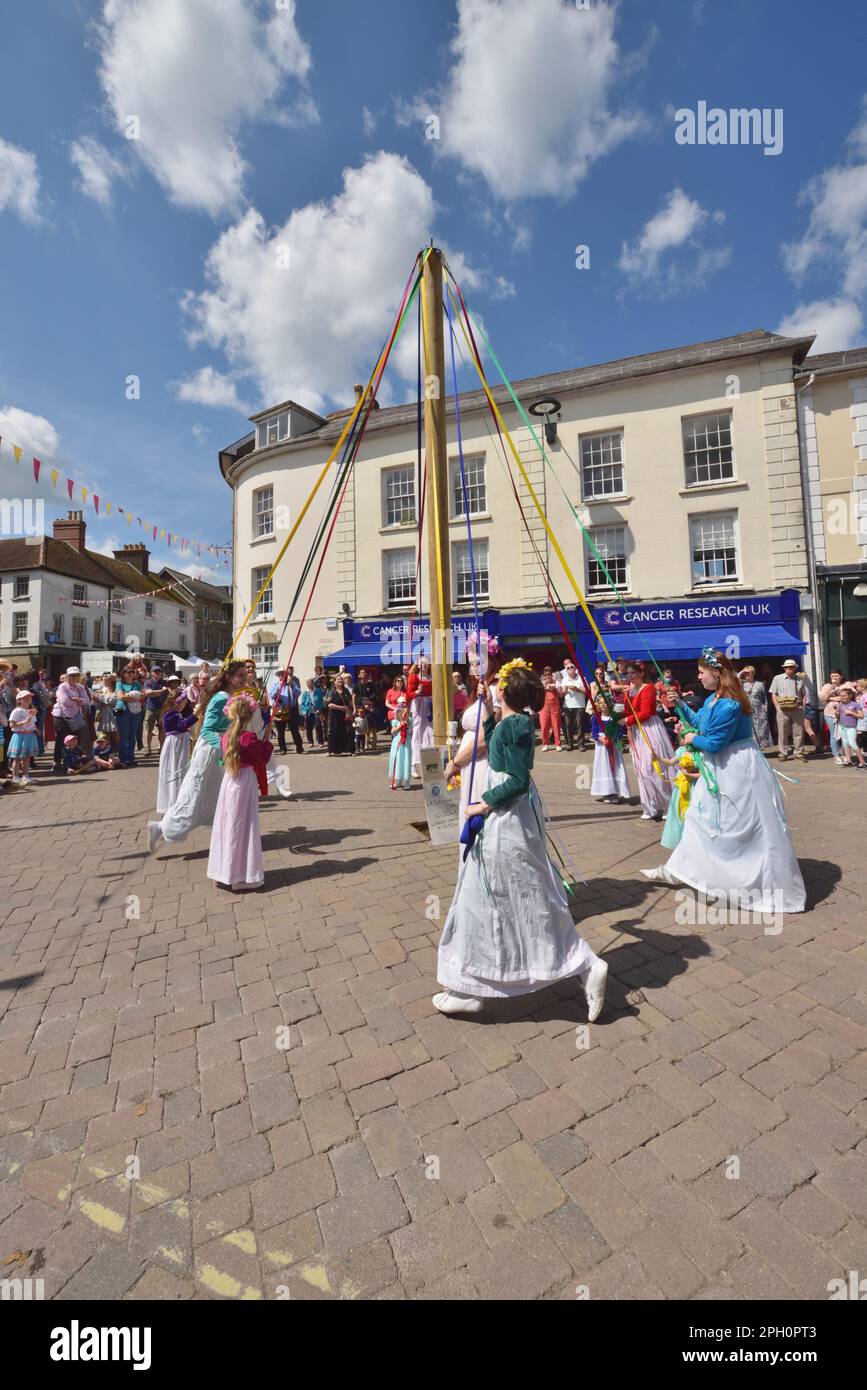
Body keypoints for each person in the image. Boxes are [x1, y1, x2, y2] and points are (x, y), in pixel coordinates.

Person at [433, 660, 608, 1018]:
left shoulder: (516, 726)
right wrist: (486, 707)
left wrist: (483, 805)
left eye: (499, 685)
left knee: (501, 891)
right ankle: (470, 983)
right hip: (506, 818)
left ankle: (583, 962)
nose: (494, 687)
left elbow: (516, 780)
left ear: (507, 693)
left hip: (506, 820)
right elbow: (495, 735)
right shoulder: (512, 722)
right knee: (487, 892)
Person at [641, 649, 806, 914]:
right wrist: (681, 706)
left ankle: (746, 880)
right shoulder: (713, 699)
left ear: (717, 674)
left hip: (735, 768)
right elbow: (701, 724)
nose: (698, 676)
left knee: (736, 824)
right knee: (700, 818)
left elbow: (714, 743)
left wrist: (690, 739)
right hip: (722, 766)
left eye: (701, 672)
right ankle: (679, 869)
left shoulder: (729, 703)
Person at [147, 661, 247, 852]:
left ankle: (224, 834)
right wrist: (225, 745)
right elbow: (208, 730)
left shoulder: (228, 696)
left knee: (215, 794)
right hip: (210, 752)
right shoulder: (221, 698)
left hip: (219, 752)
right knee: (194, 795)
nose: (244, 679)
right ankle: (160, 828)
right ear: (228, 677)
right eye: (240, 675)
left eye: (245, 675)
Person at [207, 693, 273, 892]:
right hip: (244, 782)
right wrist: (267, 740)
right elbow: (261, 758)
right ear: (250, 716)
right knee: (244, 826)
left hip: (229, 781)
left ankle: (225, 870)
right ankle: (241, 875)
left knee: (229, 824)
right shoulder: (249, 737)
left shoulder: (227, 736)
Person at [623, 661, 674, 820]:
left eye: (632, 673)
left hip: (649, 729)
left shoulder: (649, 688)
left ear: (641, 673)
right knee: (641, 769)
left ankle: (667, 804)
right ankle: (649, 806)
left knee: (654, 766)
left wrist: (626, 721)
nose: (629, 676)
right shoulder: (629, 691)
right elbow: (626, 712)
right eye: (628, 673)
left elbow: (646, 713)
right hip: (636, 730)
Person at [157, 683, 197, 812]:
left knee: (181, 767)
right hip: (175, 746)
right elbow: (182, 726)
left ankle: (180, 798)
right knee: (175, 768)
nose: (185, 704)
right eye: (184, 702)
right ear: (176, 702)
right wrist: (196, 715)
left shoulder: (175, 714)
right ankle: (173, 800)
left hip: (180, 743)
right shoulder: (169, 715)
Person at [51, 667, 92, 773]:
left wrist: (78, 700)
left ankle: (73, 763)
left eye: (76, 675)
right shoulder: (62, 687)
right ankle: (56, 763)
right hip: (61, 717)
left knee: (74, 740)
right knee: (61, 740)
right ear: (68, 676)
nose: (74, 677)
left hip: (75, 717)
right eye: (72, 675)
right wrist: (78, 702)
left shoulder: (80, 687)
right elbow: (64, 702)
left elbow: (87, 700)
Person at [657, 749, 700, 849]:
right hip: (680, 789)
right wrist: (657, 757)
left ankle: (692, 841)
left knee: (691, 813)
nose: (684, 740)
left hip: (694, 789)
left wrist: (690, 775)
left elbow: (703, 774)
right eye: (683, 737)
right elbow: (670, 762)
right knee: (678, 813)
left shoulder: (700, 754)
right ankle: (678, 840)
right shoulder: (681, 751)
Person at [589, 704, 630, 804]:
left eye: (605, 702)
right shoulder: (596, 717)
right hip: (601, 746)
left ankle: (616, 791)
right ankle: (606, 792)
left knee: (616, 767)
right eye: (601, 702)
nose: (603, 704)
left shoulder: (615, 717)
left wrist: (613, 738)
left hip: (614, 745)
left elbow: (620, 731)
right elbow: (594, 732)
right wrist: (600, 738)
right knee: (604, 767)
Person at [769, 659, 807, 761]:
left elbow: (804, 694)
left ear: (795, 668)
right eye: (786, 667)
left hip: (797, 708)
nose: (789, 669)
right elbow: (773, 693)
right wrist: (777, 707)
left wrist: (803, 706)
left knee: (798, 732)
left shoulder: (800, 679)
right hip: (782, 708)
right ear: (784, 668)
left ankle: (798, 753)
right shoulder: (777, 678)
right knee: (782, 732)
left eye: (791, 667)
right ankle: (782, 753)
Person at [406, 658, 434, 776]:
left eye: (425, 663)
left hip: (430, 706)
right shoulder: (414, 677)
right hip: (418, 705)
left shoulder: (432, 677)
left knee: (430, 733)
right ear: (418, 665)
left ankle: (430, 763)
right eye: (421, 663)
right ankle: (414, 764)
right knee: (417, 733)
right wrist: (417, 692)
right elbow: (408, 694)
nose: (423, 665)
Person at [114, 663, 144, 768]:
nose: (131, 673)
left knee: (132, 735)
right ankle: (123, 758)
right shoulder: (119, 683)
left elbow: (142, 696)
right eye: (128, 672)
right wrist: (133, 696)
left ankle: (131, 757)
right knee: (124, 735)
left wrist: (129, 696)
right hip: (122, 710)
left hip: (135, 711)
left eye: (132, 672)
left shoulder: (137, 684)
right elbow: (120, 696)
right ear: (123, 674)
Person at [269, 665, 303, 754]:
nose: (282, 676)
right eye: (280, 674)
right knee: (280, 731)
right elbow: (272, 695)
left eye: (283, 674)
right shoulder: (275, 685)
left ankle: (299, 747)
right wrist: (278, 688)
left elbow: (298, 693)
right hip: (280, 710)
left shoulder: (291, 683)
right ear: (278, 676)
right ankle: (283, 748)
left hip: (291, 709)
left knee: (294, 730)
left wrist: (292, 685)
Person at [737, 665, 773, 750]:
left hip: (759, 709)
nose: (747, 675)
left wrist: (766, 706)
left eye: (749, 673)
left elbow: (764, 697)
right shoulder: (741, 683)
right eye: (745, 674)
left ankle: (760, 747)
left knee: (761, 729)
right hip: (747, 709)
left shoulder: (760, 684)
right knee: (750, 729)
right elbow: (735, 679)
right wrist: (742, 671)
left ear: (753, 673)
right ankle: (753, 747)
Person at [8, 690, 39, 784]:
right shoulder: (17, 711)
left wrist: (36, 729)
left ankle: (26, 776)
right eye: (25, 697)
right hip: (20, 736)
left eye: (29, 697)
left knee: (27, 757)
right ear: (19, 700)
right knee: (17, 758)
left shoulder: (31, 710)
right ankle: (15, 777)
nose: (28, 699)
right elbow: (11, 725)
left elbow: (32, 723)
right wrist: (25, 721)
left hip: (29, 735)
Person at [557, 660, 588, 751]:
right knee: (568, 725)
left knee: (580, 726)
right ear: (566, 670)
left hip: (579, 705)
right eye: (568, 668)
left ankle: (581, 744)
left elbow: (587, 691)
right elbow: (562, 694)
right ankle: (570, 744)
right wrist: (564, 691)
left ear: (575, 669)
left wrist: (577, 689)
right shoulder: (564, 680)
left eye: (572, 667)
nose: (570, 669)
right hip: (567, 706)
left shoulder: (582, 678)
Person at [836, 684, 866, 768]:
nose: (842, 697)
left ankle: (862, 762)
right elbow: (838, 717)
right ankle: (849, 761)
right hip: (842, 726)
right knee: (845, 743)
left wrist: (851, 713)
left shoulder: (856, 704)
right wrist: (836, 714)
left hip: (851, 727)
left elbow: (861, 716)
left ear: (850, 696)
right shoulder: (840, 705)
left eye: (844, 695)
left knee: (852, 743)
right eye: (841, 696)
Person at [819, 670, 846, 763]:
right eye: (832, 676)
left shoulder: (846, 685)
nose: (834, 678)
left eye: (836, 676)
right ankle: (836, 755)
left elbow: (849, 697)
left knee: (844, 734)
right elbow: (822, 699)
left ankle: (844, 753)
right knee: (834, 734)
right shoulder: (827, 686)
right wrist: (831, 688)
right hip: (830, 713)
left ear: (841, 676)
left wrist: (832, 698)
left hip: (844, 713)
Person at [143, 667, 169, 757]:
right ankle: (148, 748)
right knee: (149, 730)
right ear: (151, 673)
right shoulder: (148, 682)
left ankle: (162, 748)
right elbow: (148, 693)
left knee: (162, 730)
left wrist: (155, 692)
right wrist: (162, 691)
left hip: (162, 709)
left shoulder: (164, 682)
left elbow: (166, 693)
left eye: (160, 671)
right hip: (150, 708)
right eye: (156, 671)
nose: (158, 673)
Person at [326, 674, 354, 756]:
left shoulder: (346, 691)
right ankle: (330, 751)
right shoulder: (331, 691)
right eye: (338, 679)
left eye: (341, 679)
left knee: (348, 732)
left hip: (345, 716)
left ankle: (351, 750)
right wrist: (341, 708)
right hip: (334, 716)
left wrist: (350, 709)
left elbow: (350, 702)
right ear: (335, 682)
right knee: (333, 733)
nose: (340, 681)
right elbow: (329, 704)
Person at [388, 701, 412, 790]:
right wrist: (399, 726)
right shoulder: (395, 722)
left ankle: (407, 782)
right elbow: (392, 732)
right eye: (402, 713)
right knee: (398, 760)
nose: (404, 714)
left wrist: (406, 722)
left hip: (406, 743)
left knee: (406, 760)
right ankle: (398, 780)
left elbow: (409, 730)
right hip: (397, 743)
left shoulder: (409, 721)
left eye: (406, 713)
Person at [539, 666, 563, 751]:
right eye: (545, 675)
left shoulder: (556, 683)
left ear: (551, 675)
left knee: (556, 726)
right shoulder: (541, 684)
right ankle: (545, 744)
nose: (547, 676)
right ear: (543, 675)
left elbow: (560, 695)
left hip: (555, 707)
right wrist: (543, 688)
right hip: (544, 708)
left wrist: (554, 688)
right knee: (544, 726)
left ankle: (557, 744)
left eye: (549, 674)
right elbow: (537, 696)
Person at [299, 678, 326, 747]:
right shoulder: (305, 692)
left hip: (317, 711)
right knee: (308, 727)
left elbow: (321, 701)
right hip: (308, 712)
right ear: (306, 683)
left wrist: (319, 709)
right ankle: (310, 742)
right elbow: (302, 704)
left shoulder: (318, 691)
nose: (310, 683)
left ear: (313, 682)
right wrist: (304, 711)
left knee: (318, 726)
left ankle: (321, 742)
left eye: (311, 681)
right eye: (308, 682)